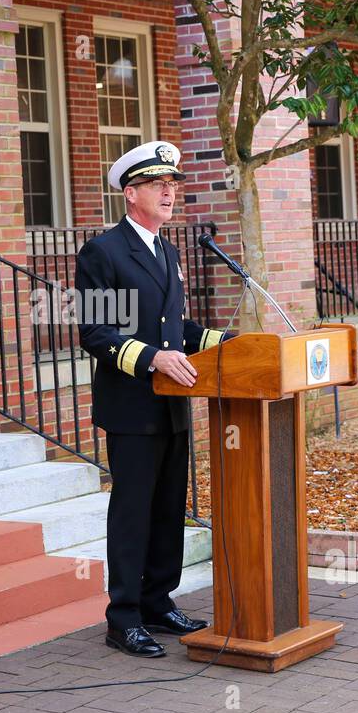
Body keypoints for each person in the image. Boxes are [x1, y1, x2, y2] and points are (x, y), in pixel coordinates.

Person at [74, 140, 233, 658]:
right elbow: (95, 332)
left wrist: (222, 343)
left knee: (169, 508)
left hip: (173, 404)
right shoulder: (104, 251)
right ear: (130, 193)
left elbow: (175, 330)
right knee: (133, 511)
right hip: (132, 404)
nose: (169, 192)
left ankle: (157, 601)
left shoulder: (167, 250)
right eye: (157, 185)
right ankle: (123, 617)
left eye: (173, 185)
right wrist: (150, 359)